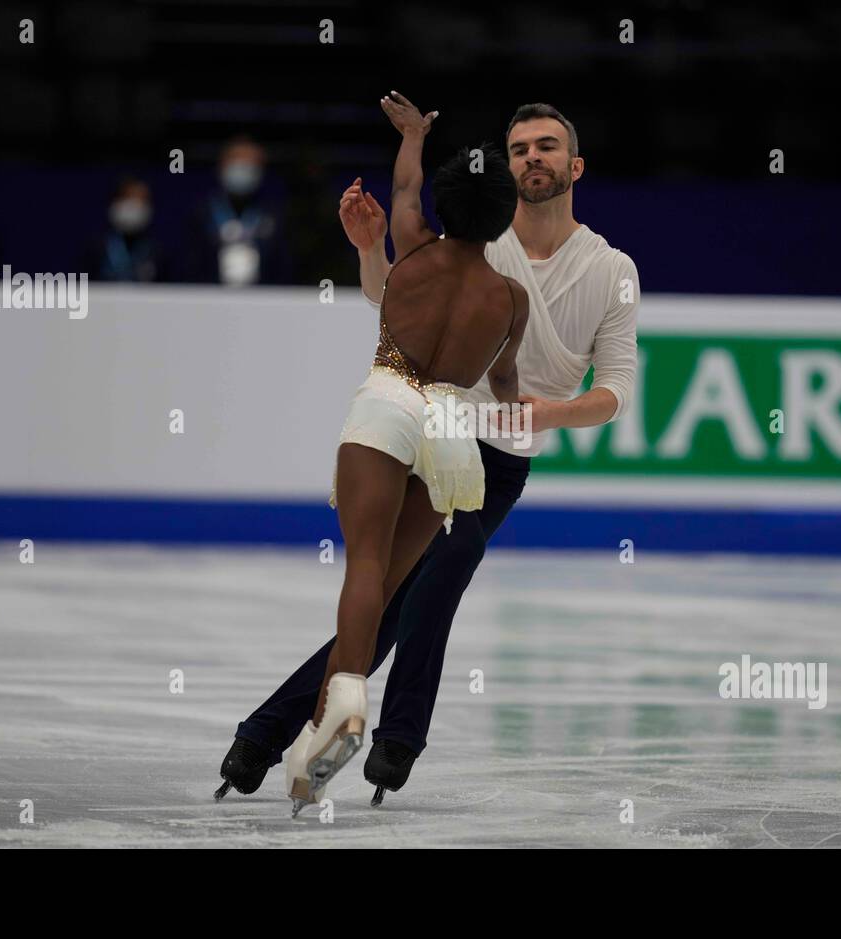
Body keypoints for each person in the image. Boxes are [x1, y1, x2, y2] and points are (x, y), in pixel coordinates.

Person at [218, 101, 639, 807]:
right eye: (519, 148)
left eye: (546, 146)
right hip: (434, 434)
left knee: (391, 601)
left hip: (502, 459)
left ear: (575, 166)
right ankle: (397, 738)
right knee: (439, 568)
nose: (532, 156)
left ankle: (265, 734)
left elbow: (618, 390)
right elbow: (398, 298)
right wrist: (366, 250)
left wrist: (549, 412)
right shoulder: (479, 239)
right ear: (506, 169)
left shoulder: (610, 268)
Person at [262, 91, 528, 816]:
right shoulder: (509, 298)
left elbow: (404, 187)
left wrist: (412, 135)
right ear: (505, 218)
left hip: (389, 401)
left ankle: (344, 703)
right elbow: (504, 387)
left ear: (444, 206)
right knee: (389, 590)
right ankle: (316, 742)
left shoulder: (412, 246)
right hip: (451, 425)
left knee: (366, 570)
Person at [186, 136, 289, 285]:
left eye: (250, 164)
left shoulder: (274, 217)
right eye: (237, 161)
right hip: (209, 299)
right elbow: (190, 270)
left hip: (262, 301)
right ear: (222, 166)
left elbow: (282, 272)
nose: (242, 168)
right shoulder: (201, 215)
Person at [85, 177, 166, 283]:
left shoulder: (156, 252)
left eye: (140, 200)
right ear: (115, 202)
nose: (133, 206)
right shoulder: (96, 248)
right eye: (128, 198)